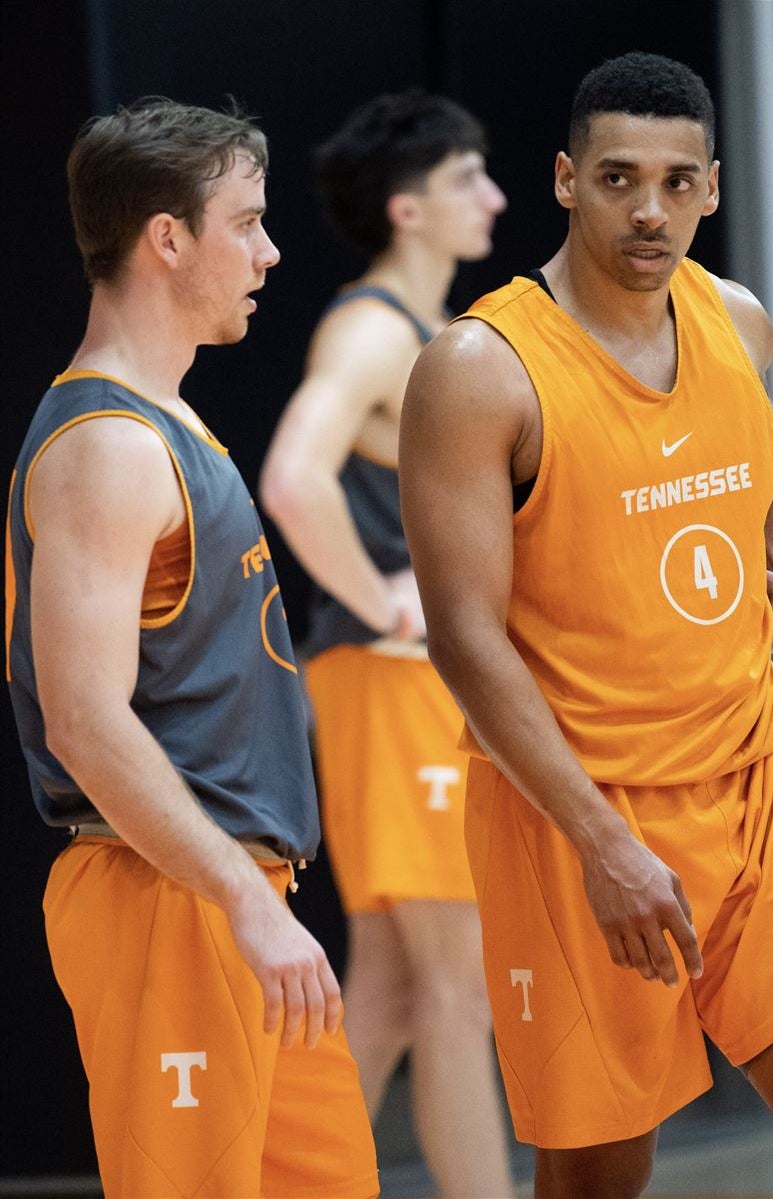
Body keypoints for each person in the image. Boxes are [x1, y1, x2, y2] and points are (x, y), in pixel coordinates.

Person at [398, 51, 773, 1199]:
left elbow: (765, 444)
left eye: (676, 184)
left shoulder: (734, 319)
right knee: (592, 1186)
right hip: (580, 824)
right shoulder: (481, 369)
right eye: (618, 178)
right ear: (566, 180)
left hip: (751, 788)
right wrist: (605, 845)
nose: (648, 209)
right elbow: (463, 639)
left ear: (712, 190)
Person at [5, 97, 379, 1199]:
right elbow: (82, 717)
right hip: (169, 900)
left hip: (228, 894)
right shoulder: (107, 446)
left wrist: (254, 897)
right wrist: (241, 897)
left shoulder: (161, 423)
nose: (268, 250)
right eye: (247, 223)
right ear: (166, 238)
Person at [259, 90, 513, 1198]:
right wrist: (386, 603)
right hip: (387, 680)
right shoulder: (371, 330)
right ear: (408, 209)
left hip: (382, 686)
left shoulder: (418, 335)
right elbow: (290, 475)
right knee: (455, 987)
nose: (495, 197)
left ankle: (275, 1185)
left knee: (398, 990)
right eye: (469, 178)